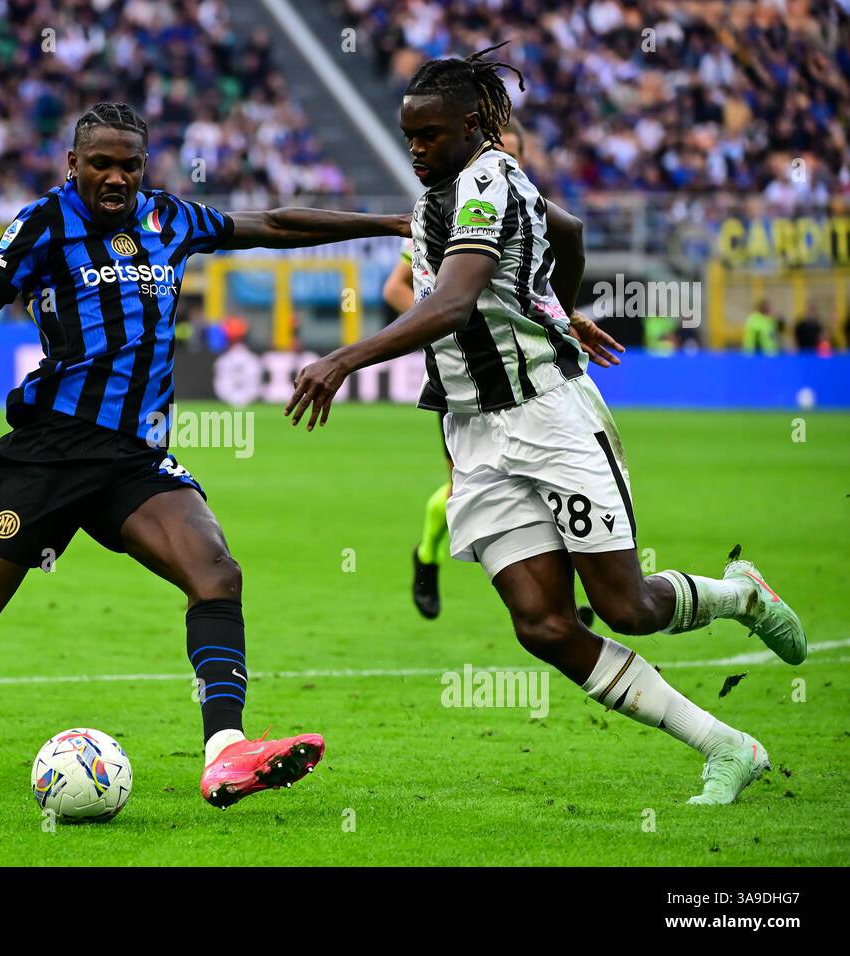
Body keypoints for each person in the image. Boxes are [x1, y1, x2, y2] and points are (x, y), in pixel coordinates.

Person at [0, 102, 411, 810]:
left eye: (130, 165)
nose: (116, 178)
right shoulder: (44, 224)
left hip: (134, 458)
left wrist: (390, 223)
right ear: (73, 165)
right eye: (102, 164)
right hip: (50, 451)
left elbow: (276, 225)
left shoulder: (170, 220)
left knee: (216, 574)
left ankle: (225, 751)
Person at [285, 49, 806, 805]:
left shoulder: (489, 182)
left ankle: (743, 596)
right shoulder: (456, 189)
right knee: (543, 624)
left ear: (471, 126)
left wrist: (343, 358)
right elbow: (568, 231)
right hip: (473, 437)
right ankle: (726, 745)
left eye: (428, 135)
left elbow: (456, 302)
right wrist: (552, 305)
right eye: (409, 137)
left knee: (627, 607)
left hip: (547, 417)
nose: (416, 150)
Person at [380, 115, 619, 620]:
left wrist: (565, 317)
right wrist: (440, 321)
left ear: (523, 159)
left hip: (533, 371)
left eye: (510, 153)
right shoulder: (445, 213)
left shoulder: (527, 209)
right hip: (462, 378)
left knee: (554, 478)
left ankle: (567, 595)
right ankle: (426, 556)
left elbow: (532, 288)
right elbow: (395, 288)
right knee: (460, 486)